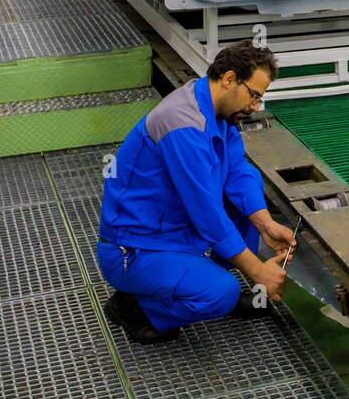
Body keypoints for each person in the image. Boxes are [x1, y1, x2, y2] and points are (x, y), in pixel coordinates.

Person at [97, 41, 298, 343]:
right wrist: (258, 272)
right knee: (222, 292)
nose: (255, 106)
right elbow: (207, 214)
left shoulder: (217, 109)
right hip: (135, 249)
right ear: (230, 78)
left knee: (245, 203)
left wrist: (264, 222)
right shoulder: (182, 124)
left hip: (174, 229)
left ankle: (194, 278)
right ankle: (136, 306)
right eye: (254, 95)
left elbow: (237, 170)